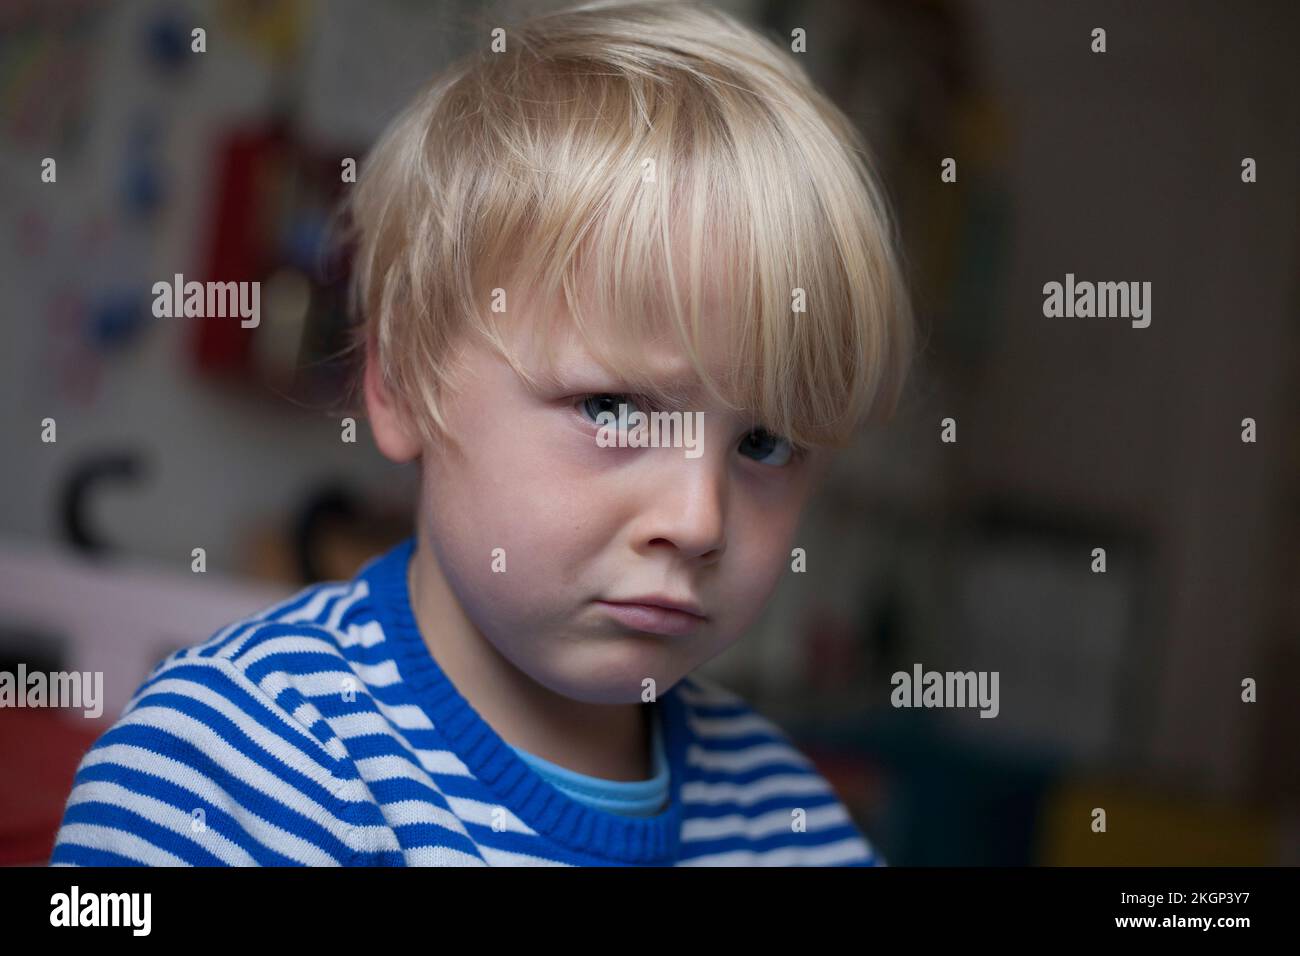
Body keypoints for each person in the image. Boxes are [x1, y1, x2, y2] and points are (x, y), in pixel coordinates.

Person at [51, 0, 913, 866]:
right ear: (404, 384)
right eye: (613, 410)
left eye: (763, 444)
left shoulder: (793, 826)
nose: (698, 521)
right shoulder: (228, 768)